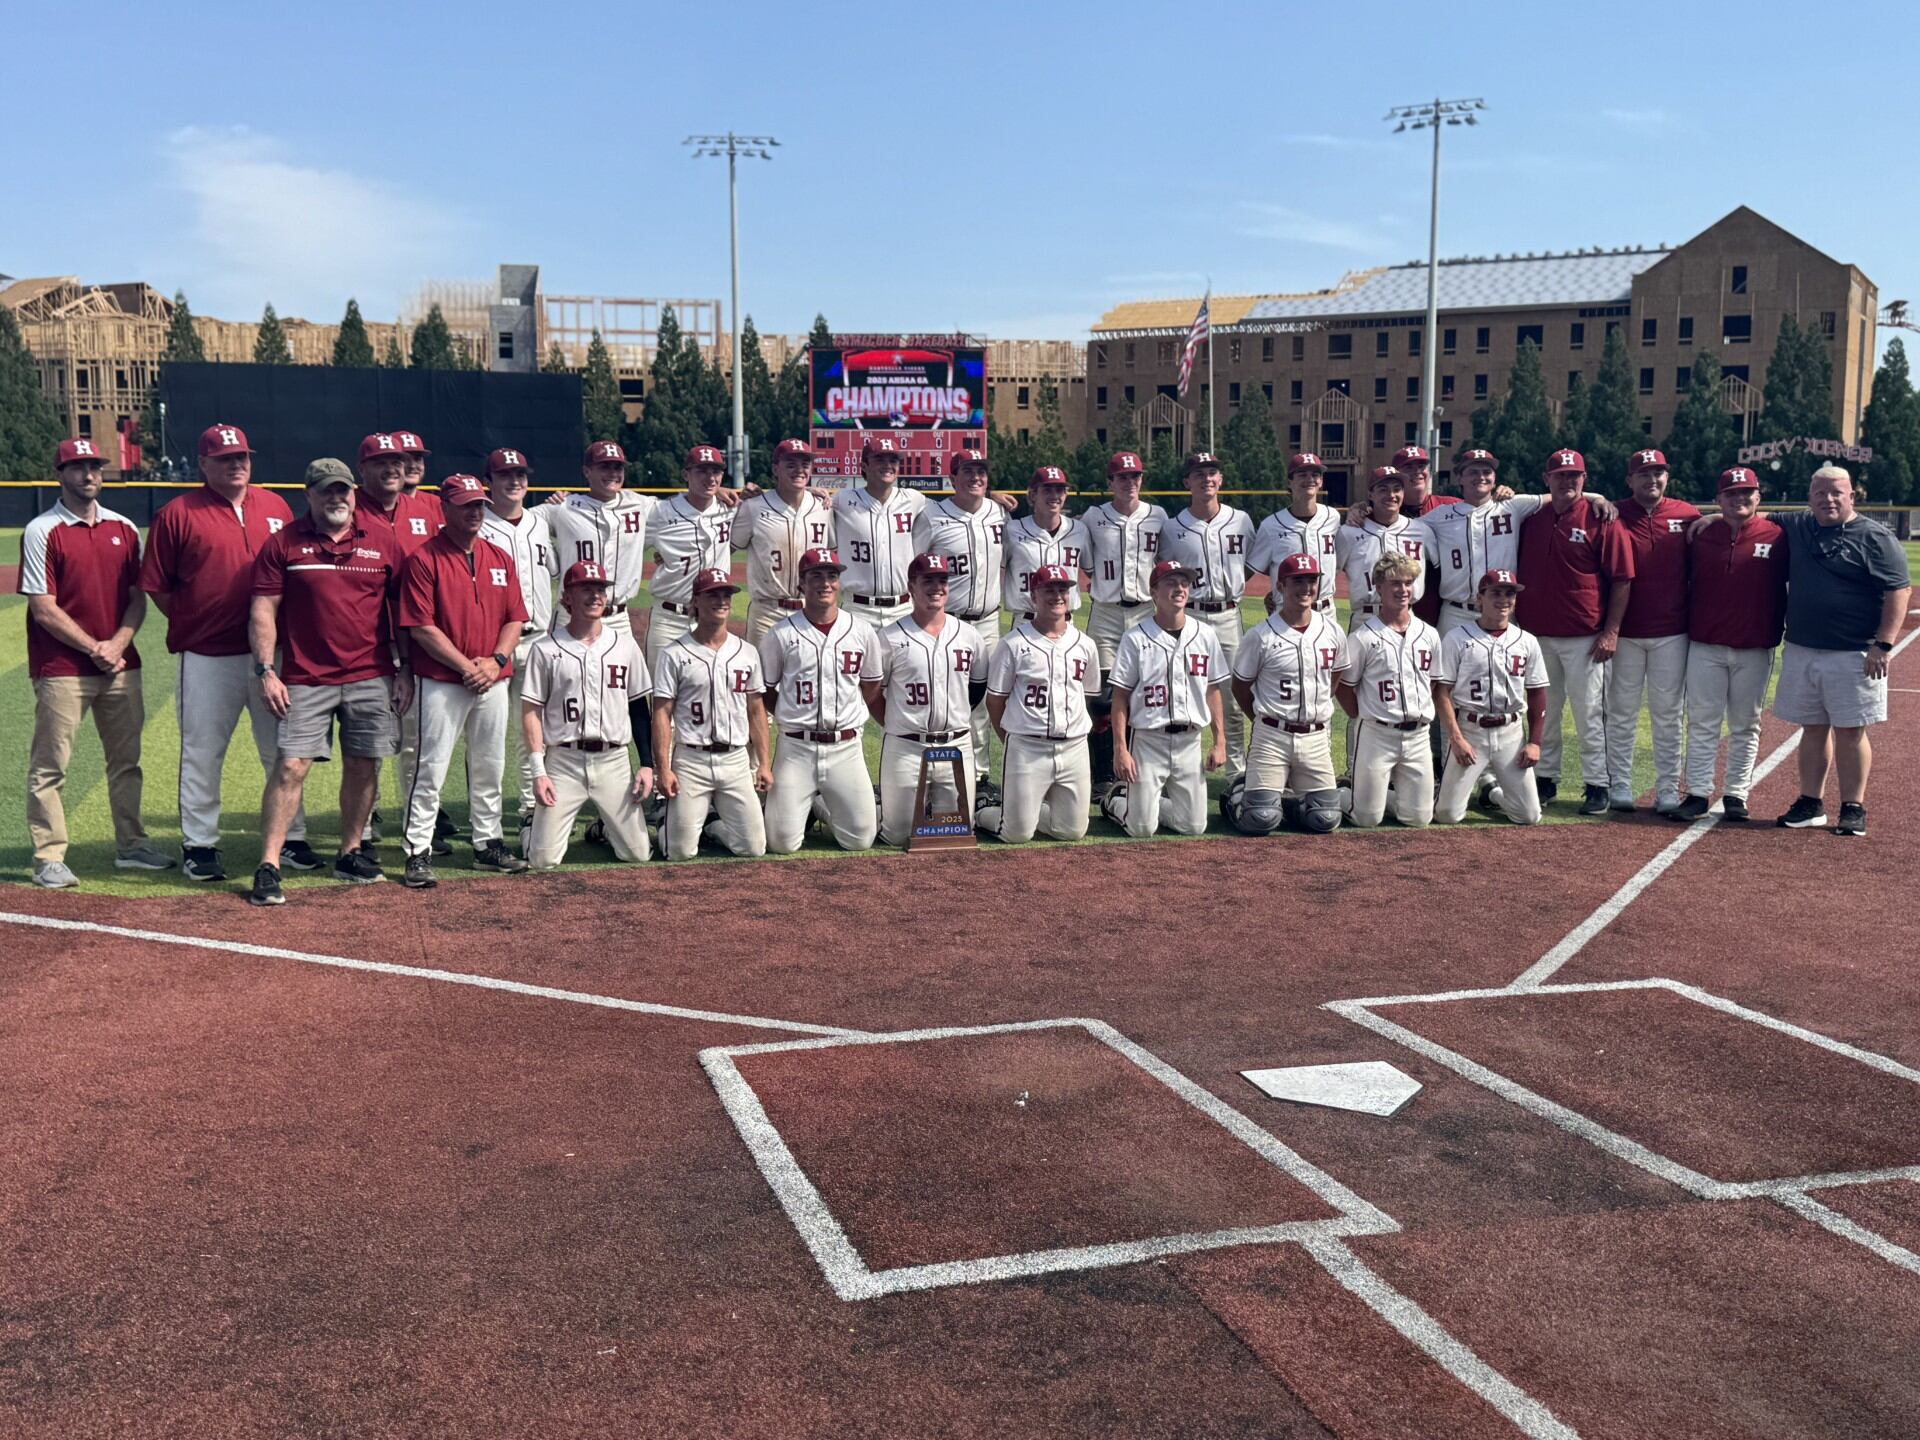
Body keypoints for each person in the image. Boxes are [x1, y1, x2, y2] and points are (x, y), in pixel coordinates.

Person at [139, 422, 317, 881]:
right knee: (203, 751)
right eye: (225, 458)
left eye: (242, 456)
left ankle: (291, 838)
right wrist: (192, 619)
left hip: (271, 657)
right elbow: (157, 585)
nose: (237, 463)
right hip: (206, 655)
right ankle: (199, 845)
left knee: (282, 750)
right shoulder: (178, 513)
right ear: (203, 464)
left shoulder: (275, 506)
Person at [248, 459, 413, 905]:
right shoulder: (283, 543)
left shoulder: (382, 542)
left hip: (371, 674)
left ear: (354, 493)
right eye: (326, 491)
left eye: (343, 490)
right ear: (310, 495)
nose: (336, 497)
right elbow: (264, 609)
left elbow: (403, 610)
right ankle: (269, 863)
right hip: (305, 676)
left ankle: (350, 851)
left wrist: (405, 670)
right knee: (290, 767)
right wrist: (266, 670)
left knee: (363, 764)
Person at [21, 437, 172, 888]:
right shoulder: (42, 529)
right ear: (59, 474)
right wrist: (96, 647)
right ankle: (49, 857)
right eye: (78, 467)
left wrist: (119, 644)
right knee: (51, 766)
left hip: (120, 665)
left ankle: (132, 845)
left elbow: (136, 599)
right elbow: (43, 608)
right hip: (62, 667)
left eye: (95, 467)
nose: (89, 475)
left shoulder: (124, 528)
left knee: (127, 761)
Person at [394, 474, 529, 887]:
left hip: (492, 678)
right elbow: (421, 627)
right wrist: (466, 666)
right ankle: (418, 850)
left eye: (479, 505)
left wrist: (496, 660)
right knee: (430, 766)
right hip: (441, 679)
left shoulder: (498, 556)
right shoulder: (424, 559)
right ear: (445, 508)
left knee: (490, 765)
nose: (475, 512)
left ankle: (488, 844)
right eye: (467, 504)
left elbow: (515, 617)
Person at [1768, 464, 1911, 837]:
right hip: (1802, 648)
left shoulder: (1875, 536)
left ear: (1851, 496)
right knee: (1812, 728)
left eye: (1836, 493)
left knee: (1850, 731)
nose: (1828, 499)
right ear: (1810, 496)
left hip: (1854, 653)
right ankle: (1811, 802)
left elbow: (1899, 590)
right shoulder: (1798, 525)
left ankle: (1853, 806)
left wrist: (1884, 644)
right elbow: (1744, 512)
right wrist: (1702, 521)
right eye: (1820, 493)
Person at [1515, 448, 1634, 816]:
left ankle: (1597, 783)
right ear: (1546, 480)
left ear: (1584, 479)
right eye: (1561, 475)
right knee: (1543, 713)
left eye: (1575, 476)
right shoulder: (1532, 517)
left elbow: (1622, 580)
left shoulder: (1602, 519)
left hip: (1585, 637)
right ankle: (1546, 778)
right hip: (1537, 635)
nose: (1568, 481)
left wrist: (1611, 631)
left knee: (1589, 715)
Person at [521, 561, 655, 869]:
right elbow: (531, 711)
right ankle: (534, 828)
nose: (595, 595)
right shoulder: (545, 649)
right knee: (542, 860)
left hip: (613, 761)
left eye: (600, 589)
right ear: (566, 597)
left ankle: (605, 828)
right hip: (563, 761)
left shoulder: (624, 645)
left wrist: (647, 765)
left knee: (637, 854)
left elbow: (638, 707)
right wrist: (538, 771)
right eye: (585, 589)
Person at [1671, 466, 1787, 823]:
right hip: (1705, 642)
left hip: (1754, 645)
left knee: (1745, 723)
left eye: (1747, 493)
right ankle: (1698, 792)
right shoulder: (1700, 534)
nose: (1740, 499)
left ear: (1758, 496)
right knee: (1703, 721)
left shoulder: (1779, 535)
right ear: (1718, 499)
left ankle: (1737, 793)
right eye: (1731, 494)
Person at [353, 431, 445, 849]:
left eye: (405, 459)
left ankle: (416, 827)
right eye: (387, 460)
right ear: (365, 468)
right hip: (366, 642)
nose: (400, 466)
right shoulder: (350, 509)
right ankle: (365, 823)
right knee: (367, 741)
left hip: (416, 640)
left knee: (414, 741)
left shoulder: (427, 509)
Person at [759, 548, 884, 853]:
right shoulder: (781, 633)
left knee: (860, 840)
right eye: (816, 575)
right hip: (796, 749)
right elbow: (765, 690)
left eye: (831, 576)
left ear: (840, 583)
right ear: (801, 583)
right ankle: (811, 804)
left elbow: (871, 685)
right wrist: (791, 715)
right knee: (780, 843)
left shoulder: (861, 631)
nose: (825, 583)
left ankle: (821, 808)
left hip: (846, 748)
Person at [1603, 448, 1699, 814]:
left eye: (1658, 472)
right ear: (1630, 480)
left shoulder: (1687, 515)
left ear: (1667, 477)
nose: (1652, 479)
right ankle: (1621, 784)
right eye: (1644, 473)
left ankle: (1668, 789)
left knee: (1668, 714)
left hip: (1672, 631)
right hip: (1625, 631)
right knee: (1621, 712)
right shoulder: (1612, 512)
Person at [651, 567, 770, 860]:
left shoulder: (746, 652)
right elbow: (662, 715)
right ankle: (666, 822)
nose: (721, 600)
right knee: (678, 852)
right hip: (691, 760)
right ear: (695, 602)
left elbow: (756, 710)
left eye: (726, 594)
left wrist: (764, 764)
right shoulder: (674, 654)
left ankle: (712, 826)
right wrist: (663, 769)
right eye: (712, 595)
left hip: (735, 761)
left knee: (754, 848)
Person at [1102, 559, 1227, 838]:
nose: (1179, 589)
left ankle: (1144, 803)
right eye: (1170, 583)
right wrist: (1120, 749)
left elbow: (1212, 690)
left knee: (1194, 826)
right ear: (1154, 592)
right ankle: (1118, 801)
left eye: (1184, 583)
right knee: (1141, 829)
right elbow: (1120, 698)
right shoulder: (1135, 638)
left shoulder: (1205, 635)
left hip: (1190, 741)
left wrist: (1220, 742)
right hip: (1148, 740)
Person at [871, 553, 987, 847]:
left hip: (956, 745)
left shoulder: (969, 636)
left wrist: (954, 716)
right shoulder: (889, 637)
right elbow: (872, 694)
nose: (936, 587)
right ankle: (843, 805)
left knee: (953, 832)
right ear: (911, 586)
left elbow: (977, 688)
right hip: (906, 746)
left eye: (942, 580)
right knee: (898, 835)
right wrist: (899, 724)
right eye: (928, 581)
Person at [1227, 552, 1347, 835]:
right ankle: (1236, 797)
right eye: (1297, 581)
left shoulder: (1331, 629)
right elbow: (1240, 687)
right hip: (1271, 736)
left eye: (1310, 581)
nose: (1305, 588)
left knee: (1325, 819)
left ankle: (1286, 803)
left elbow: (1337, 675)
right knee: (1260, 819)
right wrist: (1262, 718)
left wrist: (1316, 705)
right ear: (1281, 586)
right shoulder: (1260, 635)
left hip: (1316, 737)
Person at [981, 564, 1102, 843]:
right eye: (1048, 589)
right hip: (1028, 746)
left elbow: (1088, 694)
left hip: (1074, 747)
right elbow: (995, 700)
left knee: (1072, 831)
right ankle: (984, 811)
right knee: (1016, 834)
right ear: (1034, 596)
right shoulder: (1012, 643)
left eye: (1062, 589)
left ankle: (1028, 809)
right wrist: (1010, 739)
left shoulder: (1085, 644)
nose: (1057, 595)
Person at [1158, 451, 1256, 782]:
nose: (1206, 479)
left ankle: (1237, 772)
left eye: (1212, 472)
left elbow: (1250, 565)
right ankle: (1177, 772)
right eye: (1198, 474)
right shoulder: (1172, 528)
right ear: (1187, 482)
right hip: (1191, 616)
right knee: (1181, 692)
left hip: (1228, 614)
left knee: (1231, 697)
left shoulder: (1241, 520)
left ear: (1221, 480)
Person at [913, 446, 1005, 788]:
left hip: (989, 620)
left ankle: (977, 775)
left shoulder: (997, 512)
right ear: (952, 478)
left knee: (981, 702)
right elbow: (916, 567)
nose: (975, 477)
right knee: (940, 698)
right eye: (967, 470)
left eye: (980, 470)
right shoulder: (932, 516)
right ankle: (929, 771)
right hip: (948, 621)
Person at [478, 446, 556, 830]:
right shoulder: (476, 524)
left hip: (540, 639)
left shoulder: (540, 522)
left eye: (520, 475)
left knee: (535, 731)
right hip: (495, 645)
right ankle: (485, 817)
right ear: (489, 482)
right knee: (488, 736)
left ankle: (530, 806)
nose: (514, 481)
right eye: (506, 475)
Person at [1433, 570, 1548, 826]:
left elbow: (1538, 693)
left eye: (1510, 594)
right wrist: (1456, 738)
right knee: (1448, 815)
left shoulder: (1526, 641)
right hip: (1470, 731)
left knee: (1529, 816)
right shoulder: (1457, 638)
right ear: (1479, 599)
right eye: (1496, 593)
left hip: (1511, 734)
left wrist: (1535, 743)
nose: (1504, 599)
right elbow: (1442, 692)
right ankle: (1483, 787)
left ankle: (1492, 792)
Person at [1336, 553, 1440, 829]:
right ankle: (1335, 795)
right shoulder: (1363, 636)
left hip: (1418, 735)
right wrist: (1362, 715)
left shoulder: (1429, 634)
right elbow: (1344, 687)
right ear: (1378, 587)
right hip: (1377, 733)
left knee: (1418, 819)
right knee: (1366, 818)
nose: (1402, 590)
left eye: (1408, 583)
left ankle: (1382, 796)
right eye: (1394, 583)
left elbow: (1433, 683)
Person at [1423, 448, 1554, 636]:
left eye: (1487, 472)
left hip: (1501, 609)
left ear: (1494, 478)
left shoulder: (1512, 506)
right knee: (1449, 666)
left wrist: (1596, 498)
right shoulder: (1441, 515)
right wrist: (1366, 513)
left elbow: (1558, 496)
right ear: (1460, 478)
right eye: (1473, 472)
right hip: (1455, 612)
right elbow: (1400, 526)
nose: (1481, 477)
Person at [642, 444, 736, 666]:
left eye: (716, 471)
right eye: (701, 470)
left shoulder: (732, 508)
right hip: (669, 619)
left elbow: (775, 499)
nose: (710, 477)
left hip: (712, 618)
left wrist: (810, 490)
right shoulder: (659, 512)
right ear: (686, 474)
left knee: (707, 691)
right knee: (662, 694)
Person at [734, 438, 834, 644]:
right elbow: (723, 549)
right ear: (775, 469)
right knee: (762, 675)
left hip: (811, 610)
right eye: (790, 464)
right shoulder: (753, 508)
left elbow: (835, 556)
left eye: (805, 464)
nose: (799, 470)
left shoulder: (823, 508)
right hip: (767, 612)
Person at [1081, 451, 1168, 670]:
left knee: (1145, 683)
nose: (1130, 482)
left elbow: (1166, 561)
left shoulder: (1158, 515)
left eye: (1135, 476)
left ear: (1141, 480)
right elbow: (1087, 565)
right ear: (1110, 482)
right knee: (1103, 693)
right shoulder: (1093, 516)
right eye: (1122, 477)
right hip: (1105, 613)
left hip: (1145, 610)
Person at [834, 434, 927, 632]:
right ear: (865, 466)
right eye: (879, 459)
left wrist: (989, 495)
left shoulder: (914, 499)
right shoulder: (842, 500)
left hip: (902, 610)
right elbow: (804, 501)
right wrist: (812, 490)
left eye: (893, 460)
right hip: (857, 609)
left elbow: (954, 506)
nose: (887, 465)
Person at [1249, 452, 1342, 618]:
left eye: (1315, 474)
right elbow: (1254, 568)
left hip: (1326, 611)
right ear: (1290, 481)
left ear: (1321, 481)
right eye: (1302, 474)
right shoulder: (1271, 525)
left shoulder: (1333, 518)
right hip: (1286, 611)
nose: (1309, 479)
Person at [1393, 443, 1462, 627]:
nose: (1417, 472)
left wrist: (1503, 494)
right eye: (1408, 467)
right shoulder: (1385, 512)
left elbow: (1482, 508)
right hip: (1399, 603)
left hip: (1443, 606)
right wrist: (1358, 510)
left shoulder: (1450, 507)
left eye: (1421, 466)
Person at [391, 430, 438, 507]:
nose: (412, 465)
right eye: (404, 459)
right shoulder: (368, 505)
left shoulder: (436, 504)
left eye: (417, 459)